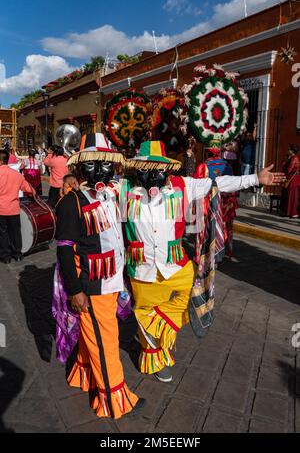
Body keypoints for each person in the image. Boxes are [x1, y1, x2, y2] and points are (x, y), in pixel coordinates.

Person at [123, 140, 285, 383]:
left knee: (190, 296)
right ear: (137, 169)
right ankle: (156, 358)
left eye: (158, 169)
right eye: (146, 169)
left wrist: (254, 179)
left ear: (167, 170)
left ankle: (157, 331)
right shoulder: (122, 190)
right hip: (142, 268)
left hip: (176, 266)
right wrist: (73, 182)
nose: (152, 175)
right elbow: (95, 195)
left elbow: (218, 182)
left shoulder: (182, 186)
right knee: (145, 316)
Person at [55, 133, 144, 420]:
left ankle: (83, 375)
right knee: (106, 339)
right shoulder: (73, 203)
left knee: (93, 335)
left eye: (106, 165)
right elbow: (65, 250)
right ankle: (114, 397)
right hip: (92, 286)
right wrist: (74, 290)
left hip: (113, 281)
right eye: (92, 165)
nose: (100, 170)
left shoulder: (113, 192)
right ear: (81, 168)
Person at [194, 138, 238, 258]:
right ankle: (223, 251)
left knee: (204, 227)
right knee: (223, 225)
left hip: (207, 202)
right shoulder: (227, 166)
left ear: (207, 152)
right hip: (223, 202)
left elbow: (196, 187)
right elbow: (232, 185)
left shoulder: (203, 166)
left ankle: (202, 253)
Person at [0, 149, 36, 263]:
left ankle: (5, 256)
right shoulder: (16, 175)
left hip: (1, 209)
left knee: (2, 233)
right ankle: (17, 253)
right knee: (16, 232)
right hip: (14, 208)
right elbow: (29, 189)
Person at [281, 144, 300, 218]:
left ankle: (294, 213)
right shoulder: (291, 157)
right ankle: (287, 212)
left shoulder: (294, 158)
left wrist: (284, 164)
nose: (288, 150)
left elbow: (289, 169)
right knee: (288, 195)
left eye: (289, 149)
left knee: (292, 196)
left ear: (292, 151)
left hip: (293, 179)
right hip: (290, 179)